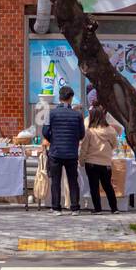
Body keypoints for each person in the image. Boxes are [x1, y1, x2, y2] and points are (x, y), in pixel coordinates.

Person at [42, 85, 85, 216]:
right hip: (71, 153)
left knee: (56, 181)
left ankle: (56, 208)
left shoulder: (51, 113)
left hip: (55, 152)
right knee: (73, 180)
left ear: (60, 98)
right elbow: (82, 134)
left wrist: (53, 139)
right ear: (70, 98)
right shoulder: (77, 115)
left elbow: (45, 132)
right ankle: (75, 208)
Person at [79, 104, 120, 214]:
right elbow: (115, 145)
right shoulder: (110, 130)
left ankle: (98, 209)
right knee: (108, 186)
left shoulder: (90, 132)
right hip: (106, 163)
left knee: (94, 187)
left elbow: (84, 148)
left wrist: (81, 161)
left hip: (91, 163)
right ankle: (114, 208)